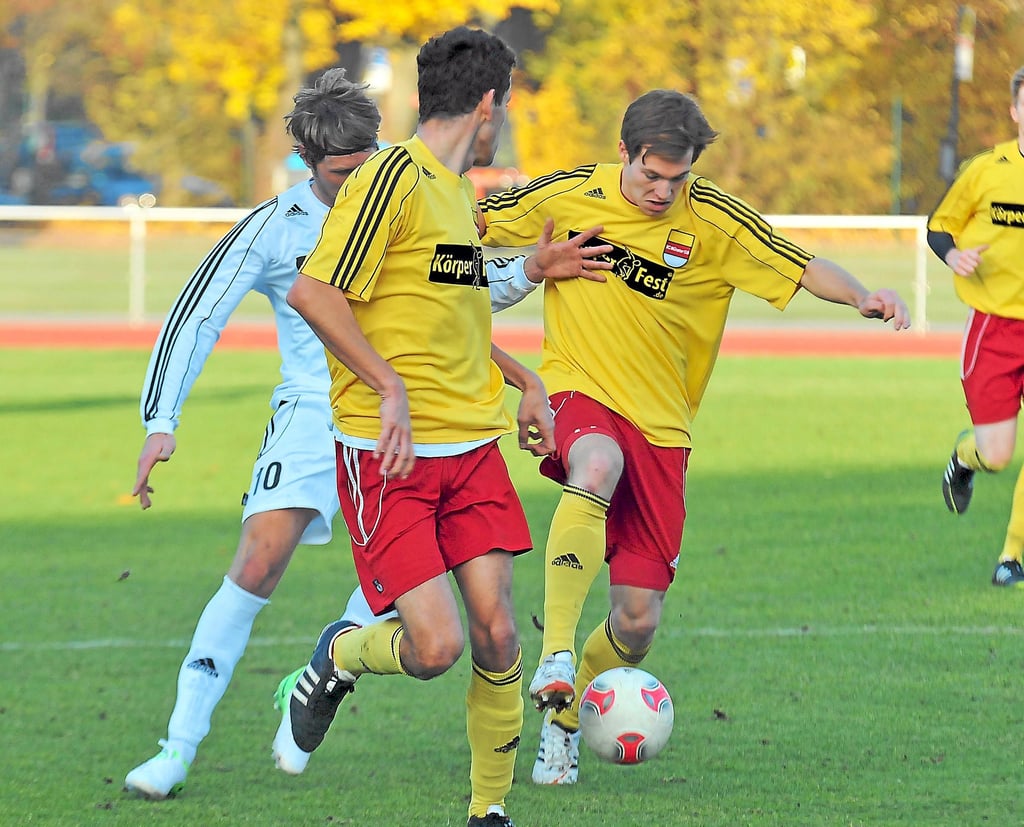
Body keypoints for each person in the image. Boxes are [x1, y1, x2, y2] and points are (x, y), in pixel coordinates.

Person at [123, 67, 609, 801]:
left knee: (406, 594)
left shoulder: (408, 198)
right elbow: (197, 314)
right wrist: (162, 421)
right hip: (317, 420)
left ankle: (325, 675)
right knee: (256, 565)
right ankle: (178, 745)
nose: (355, 182)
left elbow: (465, 287)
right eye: (339, 173)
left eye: (363, 166)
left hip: (408, 418)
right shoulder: (274, 226)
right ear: (309, 165)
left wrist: (530, 276)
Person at [476, 88, 912, 786]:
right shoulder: (567, 194)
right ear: (624, 153)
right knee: (594, 462)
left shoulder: (712, 217)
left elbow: (799, 265)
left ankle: (561, 718)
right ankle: (556, 651)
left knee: (638, 625)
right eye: (651, 175)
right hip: (577, 390)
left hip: (665, 428)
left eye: (676, 179)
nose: (662, 191)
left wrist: (860, 293)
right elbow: (467, 219)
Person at [274, 27, 544, 827]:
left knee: (498, 632)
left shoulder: (457, 192)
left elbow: (447, 322)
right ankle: (337, 654)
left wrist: (526, 380)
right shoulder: (388, 177)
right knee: (436, 649)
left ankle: (488, 810)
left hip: (472, 448)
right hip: (387, 457)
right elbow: (316, 295)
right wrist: (387, 386)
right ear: (489, 103)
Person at [931, 65, 1024, 587]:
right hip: (995, 331)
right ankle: (965, 459)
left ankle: (1012, 557)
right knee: (998, 454)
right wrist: (955, 257)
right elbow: (939, 226)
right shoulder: (987, 170)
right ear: (1015, 110)